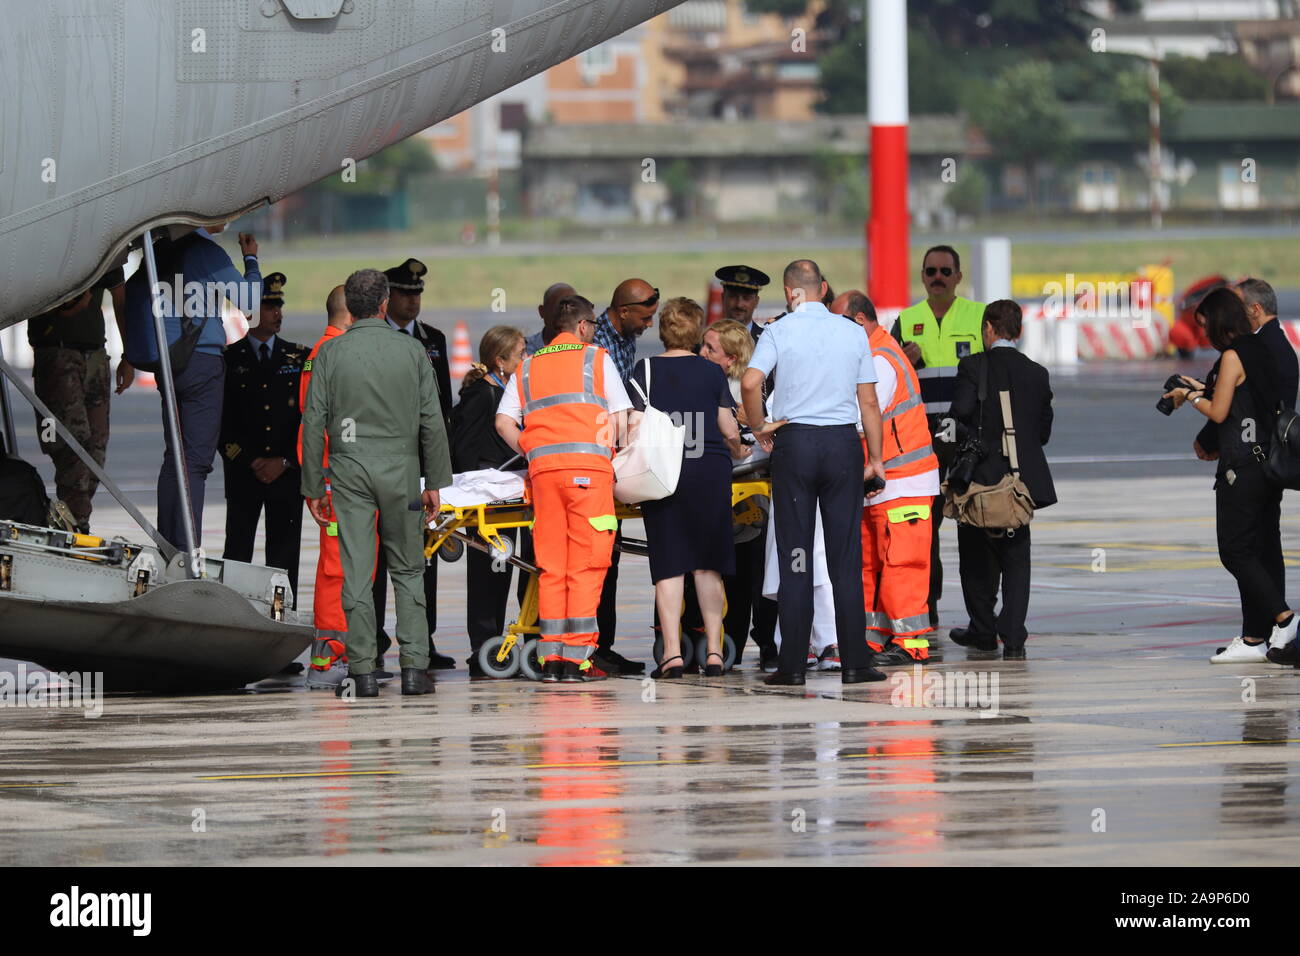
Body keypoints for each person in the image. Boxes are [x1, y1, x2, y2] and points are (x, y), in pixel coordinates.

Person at [300, 269, 451, 698]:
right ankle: (414, 669)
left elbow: (314, 423)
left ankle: (363, 671)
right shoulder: (411, 350)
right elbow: (432, 419)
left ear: (351, 304)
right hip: (401, 471)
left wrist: (313, 485)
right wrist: (435, 481)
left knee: (355, 573)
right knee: (407, 570)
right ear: (384, 304)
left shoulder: (331, 353)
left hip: (348, 471)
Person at [741, 259, 887, 686]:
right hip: (842, 446)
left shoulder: (779, 331)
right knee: (844, 558)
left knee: (796, 557)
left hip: (796, 445)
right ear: (823, 288)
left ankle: (791, 666)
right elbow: (870, 403)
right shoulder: (851, 331)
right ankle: (856, 662)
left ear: (790, 293)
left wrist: (758, 426)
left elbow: (751, 383)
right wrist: (874, 459)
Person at [496, 295, 631, 683]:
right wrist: (606, 451)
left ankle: (551, 658)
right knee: (588, 563)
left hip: (544, 474)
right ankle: (578, 659)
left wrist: (532, 449)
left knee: (552, 566)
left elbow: (504, 421)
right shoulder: (596, 358)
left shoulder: (527, 366)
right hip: (588, 472)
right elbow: (620, 418)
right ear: (584, 327)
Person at [1164, 288, 1297, 665]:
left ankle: (1285, 619)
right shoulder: (1261, 351)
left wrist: (1190, 398)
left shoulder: (1233, 356)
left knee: (1235, 550)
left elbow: (1220, 411)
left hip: (1241, 469)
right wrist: (1198, 388)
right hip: (1266, 465)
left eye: (1205, 324)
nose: (1204, 333)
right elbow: (1242, 399)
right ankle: (1256, 638)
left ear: (1219, 321)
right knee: (1260, 547)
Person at [628, 298, 748, 678]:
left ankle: (673, 654)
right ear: (697, 333)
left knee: (670, 567)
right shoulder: (712, 374)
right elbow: (729, 428)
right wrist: (741, 446)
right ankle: (714, 651)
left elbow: (632, 426)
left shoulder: (643, 370)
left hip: (664, 476)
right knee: (708, 567)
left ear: (663, 330)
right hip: (709, 474)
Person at [125, 224, 261, 550]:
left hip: (168, 364)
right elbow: (251, 303)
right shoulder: (206, 252)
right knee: (196, 462)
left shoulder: (157, 252)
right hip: (201, 363)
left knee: (175, 458)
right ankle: (187, 548)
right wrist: (252, 260)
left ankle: (169, 544)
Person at [833, 289, 941, 666]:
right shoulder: (873, 356)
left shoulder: (879, 361)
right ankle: (874, 638)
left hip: (903, 481)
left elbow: (865, 417)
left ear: (859, 321)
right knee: (873, 564)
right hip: (881, 482)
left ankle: (910, 640)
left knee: (901, 562)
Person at [948, 300, 1055, 660]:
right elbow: (1043, 431)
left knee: (976, 558)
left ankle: (982, 629)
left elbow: (959, 413)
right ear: (1019, 332)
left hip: (980, 479)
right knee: (1016, 557)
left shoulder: (973, 366)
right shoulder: (1037, 373)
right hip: (1019, 483)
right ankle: (1013, 635)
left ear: (989, 329)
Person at [893, 245, 986, 630]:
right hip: (923, 443)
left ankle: (982, 620)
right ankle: (925, 609)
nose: (938, 277)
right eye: (931, 271)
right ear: (922, 275)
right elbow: (889, 379)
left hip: (968, 444)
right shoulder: (906, 319)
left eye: (945, 271)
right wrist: (904, 358)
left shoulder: (978, 316)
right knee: (923, 534)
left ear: (958, 277)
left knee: (976, 533)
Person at [372, 258, 455, 672]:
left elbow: (442, 411)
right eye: (406, 293)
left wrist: (439, 471)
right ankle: (371, 639)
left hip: (420, 467)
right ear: (389, 298)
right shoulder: (372, 338)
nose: (413, 301)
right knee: (377, 559)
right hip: (381, 462)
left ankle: (424, 638)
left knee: (425, 557)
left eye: (418, 293)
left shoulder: (434, 340)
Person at [219, 272, 308, 605]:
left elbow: (308, 418)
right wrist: (249, 460)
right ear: (249, 312)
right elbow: (221, 423)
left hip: (286, 475)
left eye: (279, 306)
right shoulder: (229, 359)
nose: (277, 313)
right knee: (237, 553)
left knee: (283, 559)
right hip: (245, 475)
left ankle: (280, 625)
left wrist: (285, 460)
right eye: (269, 306)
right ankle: (232, 621)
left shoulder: (299, 358)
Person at [27, 268, 133, 533]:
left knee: (96, 447)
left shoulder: (102, 246)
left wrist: (130, 355)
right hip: (57, 352)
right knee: (70, 443)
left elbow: (121, 299)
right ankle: (76, 523)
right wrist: (62, 310)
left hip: (95, 355)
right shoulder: (49, 246)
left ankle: (69, 516)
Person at [590, 278, 659, 676]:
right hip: (597, 462)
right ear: (623, 311)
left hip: (613, 461)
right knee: (599, 557)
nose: (649, 325)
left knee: (611, 557)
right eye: (645, 317)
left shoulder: (623, 336)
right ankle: (592, 646)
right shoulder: (598, 344)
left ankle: (604, 644)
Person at [701, 318, 779, 670]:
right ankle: (736, 640)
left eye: (709, 349)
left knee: (755, 569)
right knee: (738, 570)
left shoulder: (746, 388)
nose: (701, 354)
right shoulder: (718, 385)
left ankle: (761, 640)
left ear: (730, 358)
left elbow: (761, 439)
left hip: (751, 490)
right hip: (730, 489)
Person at [451, 325, 527, 678]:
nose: (526, 360)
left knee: (503, 568)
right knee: (486, 573)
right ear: (500, 361)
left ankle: (494, 641)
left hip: (506, 495)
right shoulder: (482, 395)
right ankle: (482, 645)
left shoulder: (508, 393)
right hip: (486, 497)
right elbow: (463, 447)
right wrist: (477, 482)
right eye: (521, 354)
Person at [298, 285, 354, 689]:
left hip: (341, 478)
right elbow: (314, 427)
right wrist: (317, 484)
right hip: (337, 481)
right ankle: (328, 657)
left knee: (348, 569)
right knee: (337, 570)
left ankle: (343, 651)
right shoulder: (330, 356)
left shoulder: (323, 354)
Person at [524, 282, 576, 355]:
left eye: (572, 308)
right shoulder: (524, 350)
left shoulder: (589, 350)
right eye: (560, 308)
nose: (566, 315)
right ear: (542, 311)